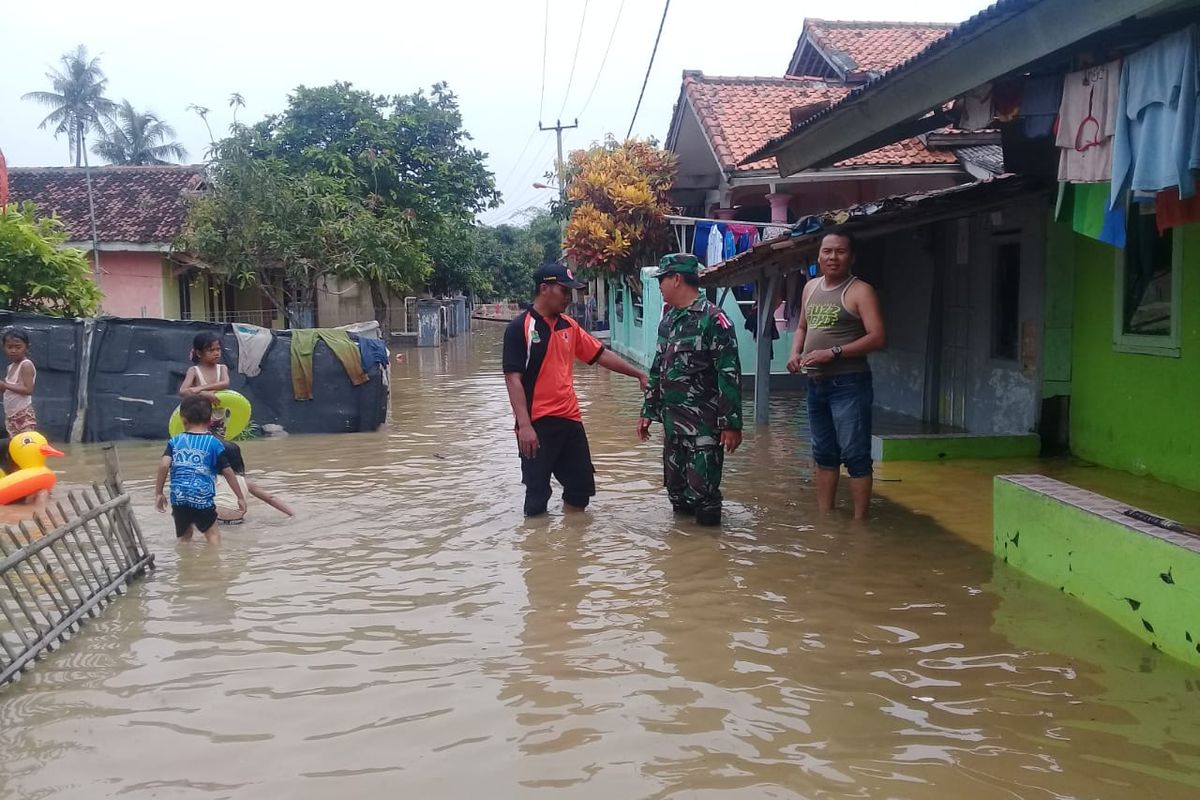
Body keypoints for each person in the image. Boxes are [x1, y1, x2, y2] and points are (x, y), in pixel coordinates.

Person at [503, 262, 648, 517]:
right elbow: (513, 380)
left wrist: (637, 373)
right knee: (537, 496)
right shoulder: (520, 329)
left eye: (571, 292)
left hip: (570, 420)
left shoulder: (569, 326)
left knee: (580, 490)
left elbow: (600, 354)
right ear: (544, 288)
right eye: (564, 291)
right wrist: (524, 426)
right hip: (536, 424)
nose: (570, 298)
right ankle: (538, 551)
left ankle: (574, 545)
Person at [785, 230, 886, 521]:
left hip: (849, 383)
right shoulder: (810, 287)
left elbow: (878, 337)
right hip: (815, 383)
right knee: (824, 453)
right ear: (818, 256)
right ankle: (825, 517)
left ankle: (859, 523)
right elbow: (802, 327)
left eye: (840, 252)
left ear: (851, 257)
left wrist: (835, 352)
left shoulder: (860, 291)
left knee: (855, 454)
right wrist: (795, 352)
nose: (833, 257)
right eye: (827, 251)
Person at [638, 254, 743, 526]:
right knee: (676, 493)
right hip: (674, 427)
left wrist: (731, 424)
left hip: (703, 428)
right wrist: (648, 410)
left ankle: (711, 558)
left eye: (662, 279)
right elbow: (658, 367)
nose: (659, 285)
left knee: (704, 496)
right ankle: (681, 557)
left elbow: (728, 373)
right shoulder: (669, 321)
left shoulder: (714, 320)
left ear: (676, 279)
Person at [155, 395, 246, 544]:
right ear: (210, 420)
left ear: (182, 419)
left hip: (179, 498)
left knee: (185, 537)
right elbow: (228, 472)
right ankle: (213, 565)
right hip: (202, 498)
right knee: (213, 535)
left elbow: (164, 465)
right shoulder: (214, 443)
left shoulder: (175, 442)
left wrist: (158, 493)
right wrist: (240, 497)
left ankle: (185, 564)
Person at [215, 441, 295, 523]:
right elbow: (270, 498)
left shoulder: (212, 478)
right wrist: (292, 514)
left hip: (214, 519)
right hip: (236, 521)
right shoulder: (246, 482)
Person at [179, 332, 231, 438]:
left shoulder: (222, 368)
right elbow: (183, 391)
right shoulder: (194, 371)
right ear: (199, 353)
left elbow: (225, 383)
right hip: (199, 418)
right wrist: (204, 395)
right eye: (211, 350)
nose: (216, 353)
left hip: (219, 417)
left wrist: (200, 388)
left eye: (218, 349)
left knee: (218, 445)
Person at [0, 327, 38, 437]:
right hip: (11, 415)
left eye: (18, 347)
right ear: (4, 348)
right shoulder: (10, 367)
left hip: (23, 414)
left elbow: (28, 389)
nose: (13, 350)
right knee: (15, 447)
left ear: (26, 348)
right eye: (9, 347)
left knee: (26, 444)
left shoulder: (26, 365)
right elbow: (9, 390)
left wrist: (5, 385)